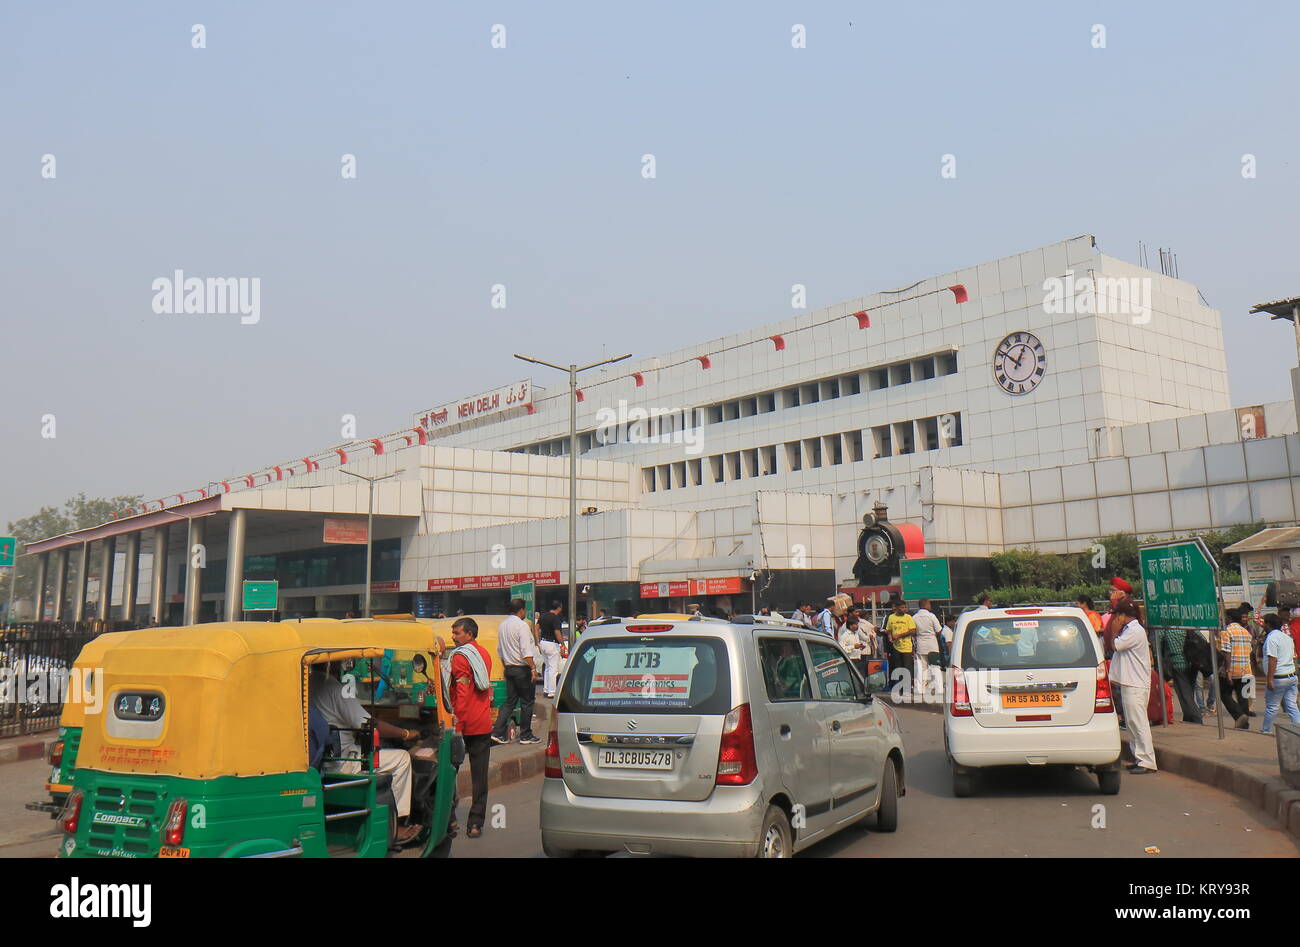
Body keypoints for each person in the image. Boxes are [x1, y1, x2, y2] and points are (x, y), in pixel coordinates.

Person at [310, 661, 424, 844]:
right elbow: (369, 725)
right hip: (343, 761)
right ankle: (396, 826)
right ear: (334, 663)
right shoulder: (333, 687)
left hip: (319, 759)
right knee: (402, 758)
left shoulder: (307, 683)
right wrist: (407, 734)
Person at [437, 617, 494, 838]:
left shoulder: (460, 657)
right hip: (483, 723)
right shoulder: (483, 654)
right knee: (480, 777)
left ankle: (449, 820)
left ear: (469, 634)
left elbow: (461, 694)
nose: (453, 636)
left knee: (449, 774)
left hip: (464, 724)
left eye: (457, 633)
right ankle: (476, 823)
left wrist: (457, 724)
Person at [1109, 600, 1157, 774]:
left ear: (1122, 615)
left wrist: (1114, 632)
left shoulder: (1134, 631)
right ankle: (1140, 758)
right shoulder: (1132, 630)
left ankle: (1147, 761)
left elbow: (1116, 645)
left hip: (1135, 683)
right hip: (1131, 682)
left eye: (1117, 615)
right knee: (1132, 723)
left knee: (1138, 723)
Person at [491, 599, 540, 746]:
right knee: (527, 702)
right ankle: (526, 735)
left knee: (510, 702)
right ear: (521, 610)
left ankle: (497, 732)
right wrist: (532, 668)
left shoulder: (502, 626)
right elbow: (526, 651)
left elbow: (500, 651)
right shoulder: (522, 626)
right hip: (521, 669)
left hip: (509, 668)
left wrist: (507, 665)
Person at [1261, 614, 1300, 735]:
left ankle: (1266, 730)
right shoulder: (1287, 638)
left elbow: (1273, 660)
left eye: (1264, 623)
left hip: (1279, 677)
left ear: (1268, 624)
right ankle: (1298, 729)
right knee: (1292, 706)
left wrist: (1269, 679)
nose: (1263, 625)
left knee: (1272, 707)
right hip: (1291, 676)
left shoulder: (1272, 639)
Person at [1216, 608, 1253, 730]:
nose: (1223, 619)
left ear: (1230, 618)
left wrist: (1228, 671)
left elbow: (1227, 652)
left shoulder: (1226, 632)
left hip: (1232, 669)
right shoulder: (1246, 632)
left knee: (1223, 693)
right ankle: (1244, 724)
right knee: (1243, 698)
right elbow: (1250, 652)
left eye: (1225, 617)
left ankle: (1239, 716)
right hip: (1246, 669)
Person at [1159, 625, 1203, 725]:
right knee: (1189, 692)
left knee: (1185, 694)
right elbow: (1203, 639)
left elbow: (1157, 642)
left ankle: (1197, 718)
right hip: (1192, 664)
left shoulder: (1166, 629)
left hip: (1177, 663)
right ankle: (1188, 718)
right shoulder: (1188, 627)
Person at [883, 599, 917, 695]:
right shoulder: (891, 618)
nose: (904, 609)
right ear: (897, 608)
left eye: (905, 607)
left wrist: (899, 635)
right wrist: (890, 637)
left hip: (906, 647)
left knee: (907, 668)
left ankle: (908, 688)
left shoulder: (908, 617)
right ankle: (900, 687)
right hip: (896, 647)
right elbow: (888, 629)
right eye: (902, 607)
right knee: (898, 668)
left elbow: (912, 630)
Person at [912, 599, 942, 696]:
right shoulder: (931, 616)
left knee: (922, 668)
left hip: (920, 645)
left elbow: (913, 631)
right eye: (929, 604)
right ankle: (939, 689)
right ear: (926, 605)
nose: (930, 606)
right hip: (932, 645)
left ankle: (921, 690)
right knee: (935, 667)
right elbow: (938, 630)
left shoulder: (914, 617)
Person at [537, 601, 566, 699]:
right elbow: (557, 632)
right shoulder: (555, 618)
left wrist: (538, 641)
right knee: (553, 669)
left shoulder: (543, 616)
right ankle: (552, 692)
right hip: (552, 644)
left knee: (548, 668)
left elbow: (536, 628)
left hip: (543, 643)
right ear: (559, 608)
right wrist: (562, 644)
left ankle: (546, 689)